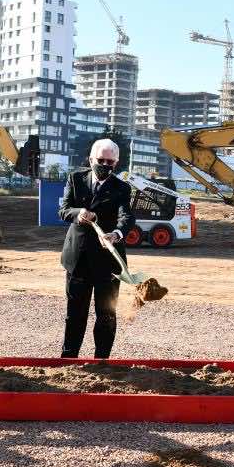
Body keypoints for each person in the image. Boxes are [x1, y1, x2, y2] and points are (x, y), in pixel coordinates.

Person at [58, 138, 136, 359]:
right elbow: (64, 209)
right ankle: (68, 358)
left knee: (106, 315)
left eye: (110, 162)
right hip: (78, 260)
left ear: (116, 163)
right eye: (100, 160)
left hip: (108, 263)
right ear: (91, 159)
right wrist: (78, 214)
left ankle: (102, 360)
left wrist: (117, 234)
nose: (105, 165)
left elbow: (127, 217)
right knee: (75, 314)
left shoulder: (122, 188)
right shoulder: (75, 179)